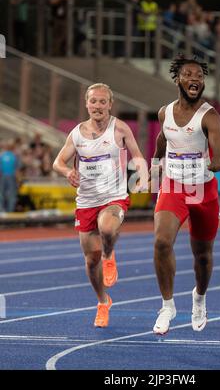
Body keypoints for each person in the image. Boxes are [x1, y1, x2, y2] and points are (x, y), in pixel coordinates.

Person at [53, 83, 145, 328]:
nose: (98, 106)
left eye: (103, 102)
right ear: (86, 104)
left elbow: (137, 155)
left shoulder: (120, 129)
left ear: (110, 105)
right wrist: (67, 172)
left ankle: (109, 254)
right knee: (90, 261)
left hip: (114, 195)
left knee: (107, 228)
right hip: (86, 201)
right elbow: (58, 162)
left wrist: (142, 174)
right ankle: (103, 302)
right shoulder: (77, 133)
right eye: (93, 101)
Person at [150, 54, 220, 335]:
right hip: (174, 186)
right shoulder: (164, 112)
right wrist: (156, 161)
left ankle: (199, 298)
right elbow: (163, 137)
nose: (195, 79)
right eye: (189, 74)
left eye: (199, 76)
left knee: (203, 256)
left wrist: (213, 163)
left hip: (203, 190)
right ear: (178, 79)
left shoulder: (210, 116)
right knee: (161, 242)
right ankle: (167, 306)